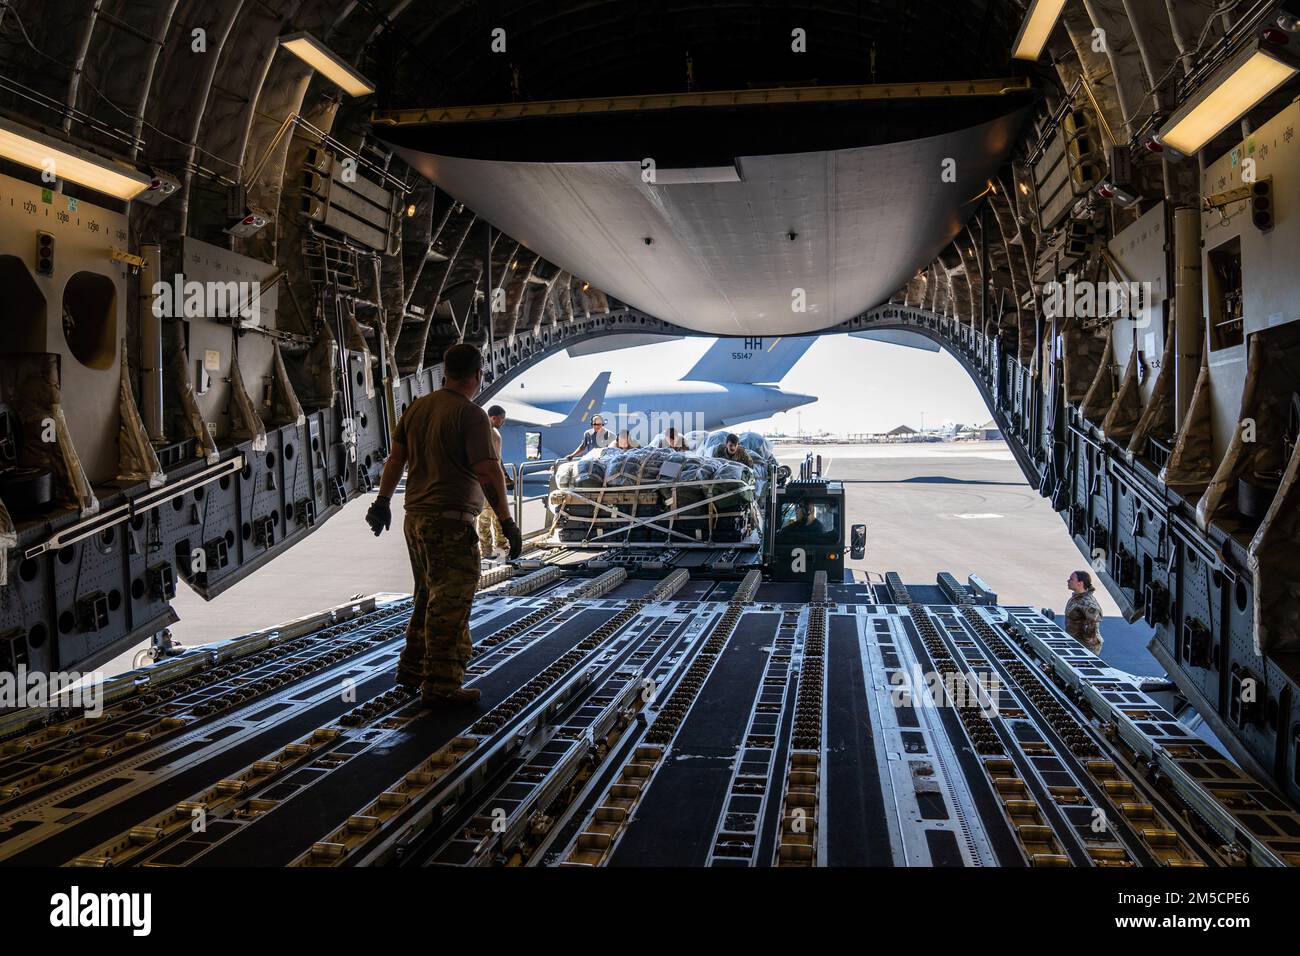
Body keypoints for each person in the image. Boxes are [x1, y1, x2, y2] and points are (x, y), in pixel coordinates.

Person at [365, 343, 522, 708]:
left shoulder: (418, 408)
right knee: (450, 602)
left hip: (414, 518)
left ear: (446, 372)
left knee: (426, 595)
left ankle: (413, 670)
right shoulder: (471, 415)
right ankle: (441, 686)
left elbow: (396, 459)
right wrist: (507, 523)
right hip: (450, 521)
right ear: (477, 375)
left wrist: (382, 502)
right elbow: (487, 470)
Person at [477, 405, 515, 556]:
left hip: (495, 481)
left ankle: (500, 548)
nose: (503, 422)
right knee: (486, 517)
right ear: (494, 418)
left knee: (497, 517)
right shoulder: (483, 433)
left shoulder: (495, 432)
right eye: (502, 419)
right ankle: (487, 550)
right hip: (487, 483)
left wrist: (505, 475)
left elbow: (498, 458)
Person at [1064, 570, 1104, 656]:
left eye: (1071, 579)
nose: (1068, 581)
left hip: (1085, 648)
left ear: (1080, 583)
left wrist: (1084, 646)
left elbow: (1093, 624)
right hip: (1076, 643)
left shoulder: (1088, 603)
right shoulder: (1076, 597)